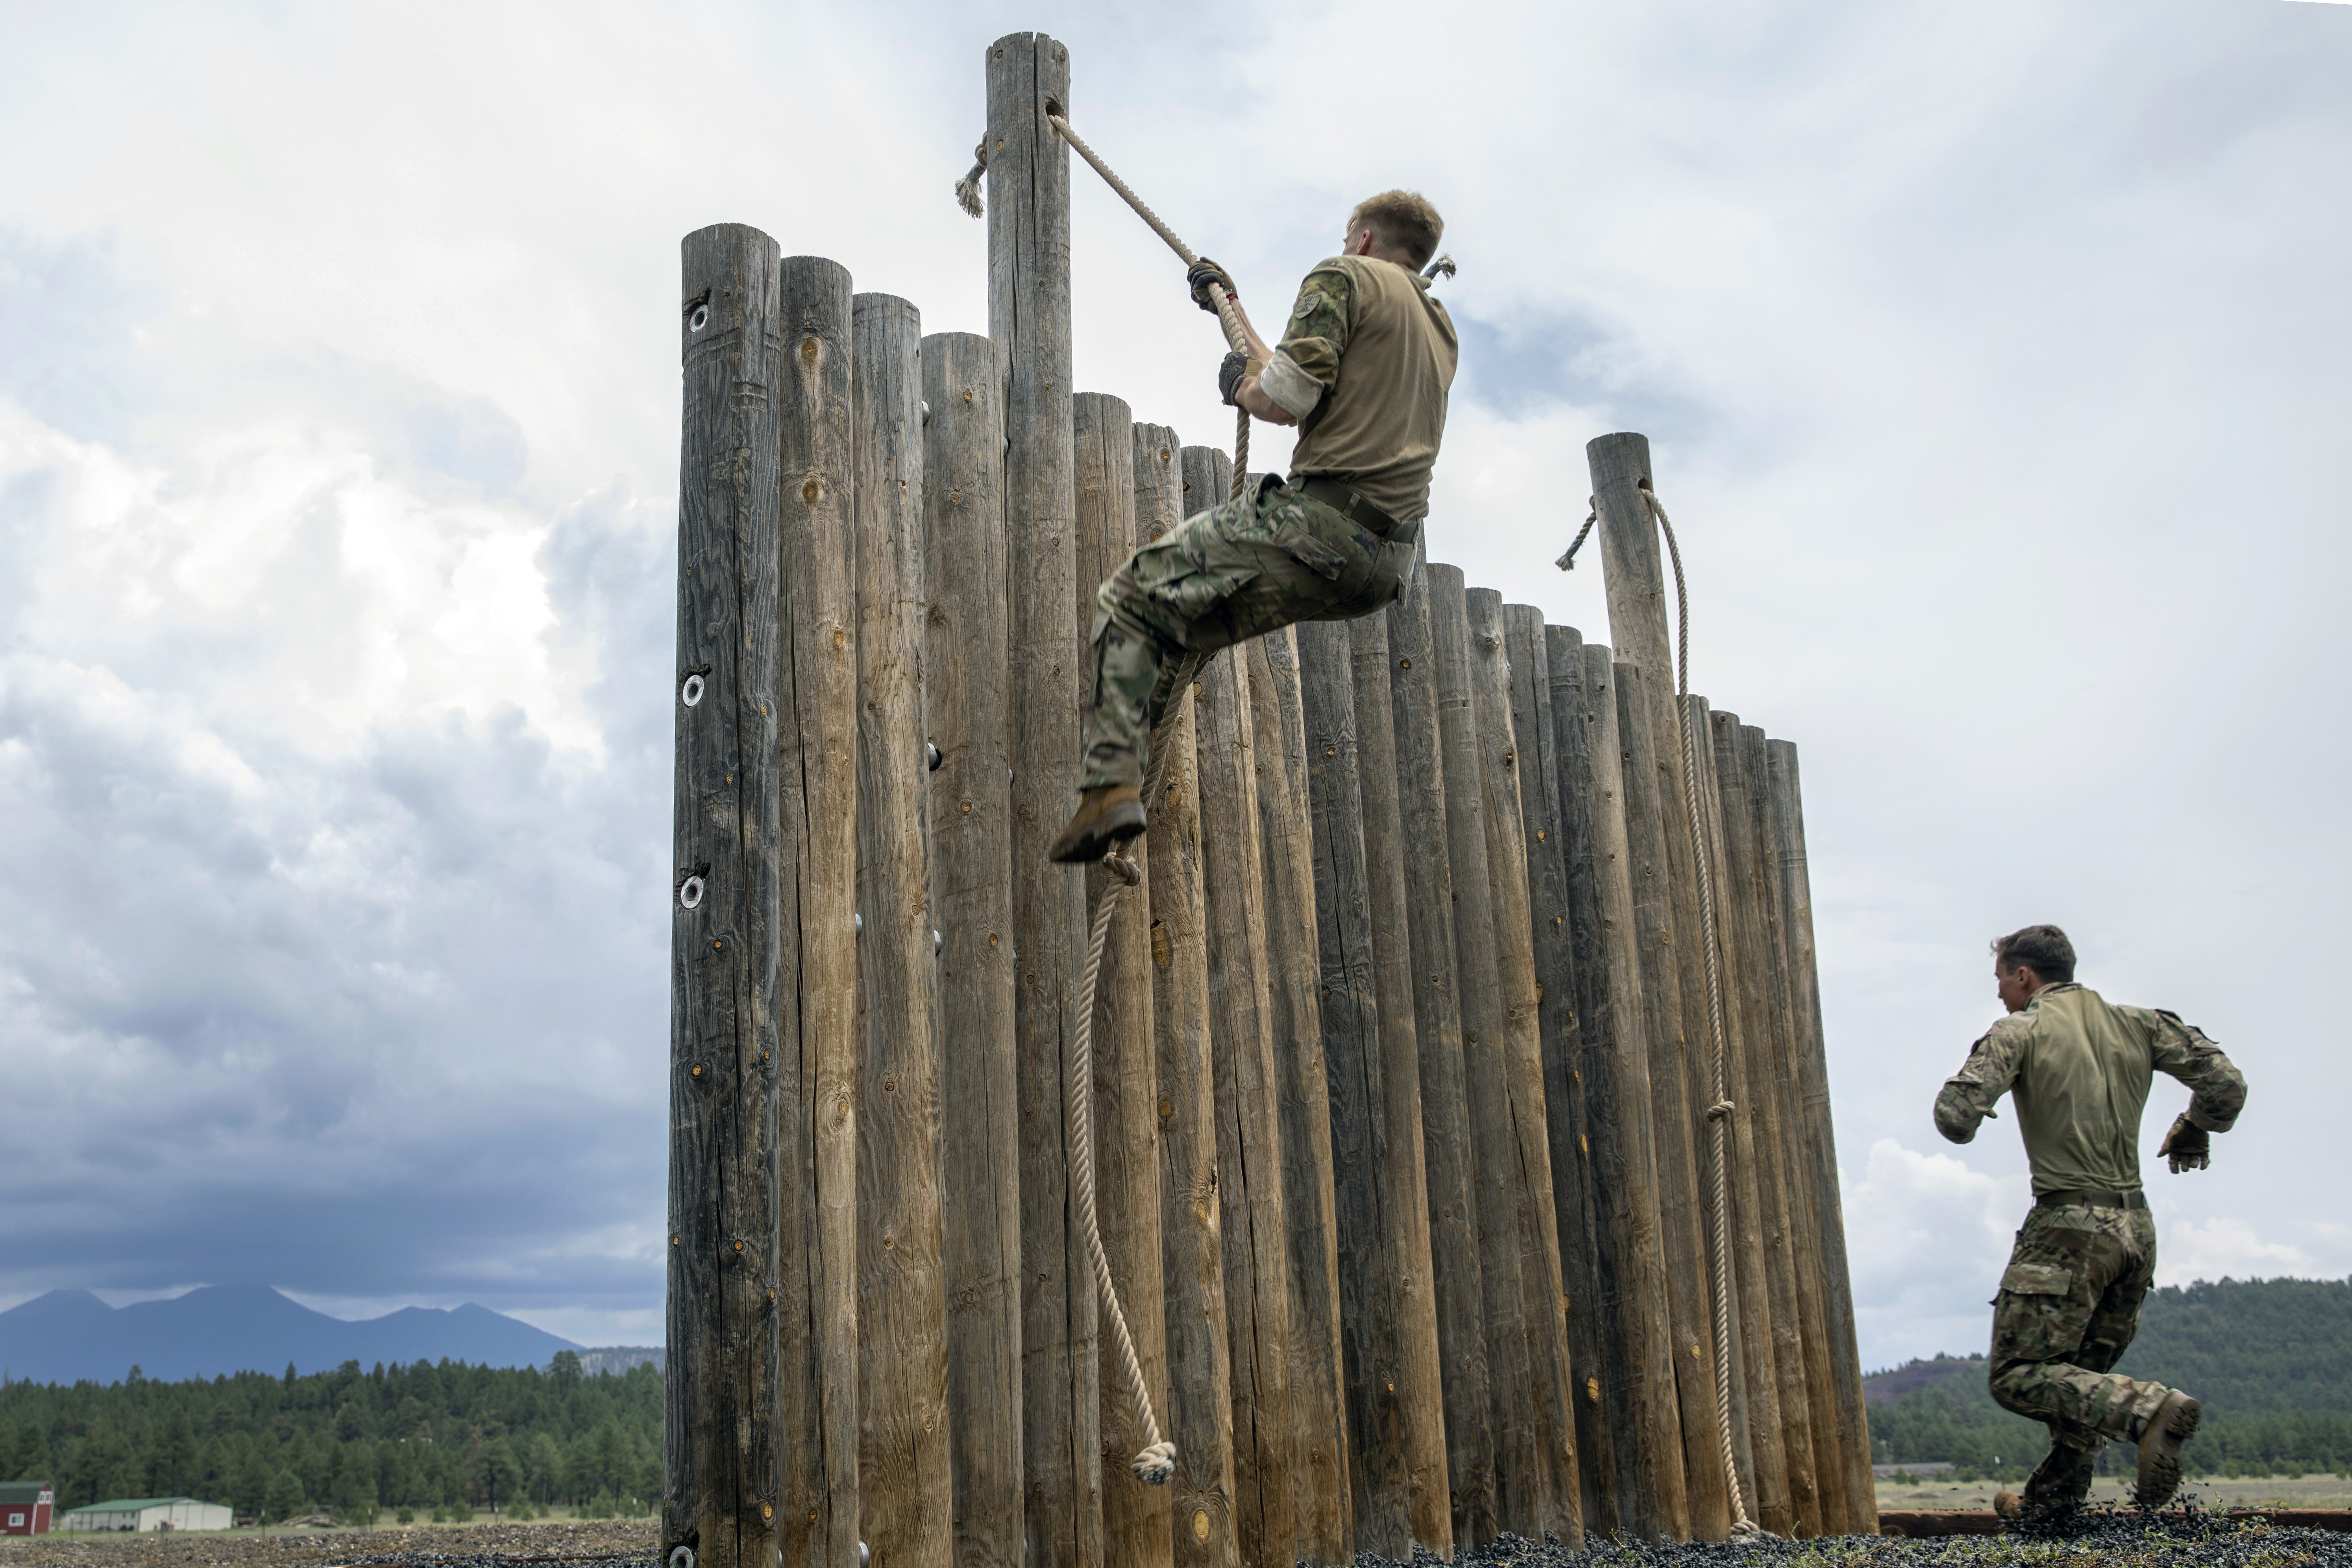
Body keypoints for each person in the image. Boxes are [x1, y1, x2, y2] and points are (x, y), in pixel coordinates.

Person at [1047, 190, 1458, 863]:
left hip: (1320, 527)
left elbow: (1284, 398)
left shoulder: (1344, 275)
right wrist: (1230, 313)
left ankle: (1109, 788)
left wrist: (1242, 384)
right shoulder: (1437, 327)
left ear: (1361, 240)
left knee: (1131, 598)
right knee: (1178, 631)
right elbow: (1312, 380)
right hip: (1379, 565)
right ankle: (1114, 796)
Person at [1935, 924, 2248, 1519]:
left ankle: (2148, 1410)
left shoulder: (2020, 1029)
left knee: (2020, 1376)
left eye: (2002, 980)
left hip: (2067, 1229)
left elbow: (1954, 1117)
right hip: (2136, 1231)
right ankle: (2051, 1509)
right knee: (2079, 1382)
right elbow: (2227, 1086)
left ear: (2024, 976)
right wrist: (2196, 1127)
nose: (2000, 993)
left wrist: (1984, 1096)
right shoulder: (2141, 1024)